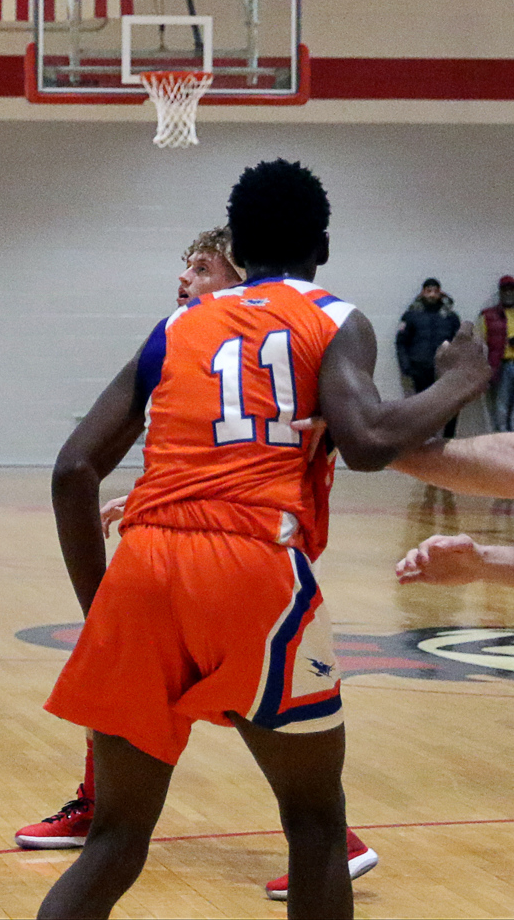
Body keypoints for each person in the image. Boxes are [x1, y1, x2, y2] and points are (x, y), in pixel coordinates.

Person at [38, 160, 489, 920]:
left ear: (238, 246)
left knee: (114, 838)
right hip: (253, 564)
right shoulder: (334, 316)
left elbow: (73, 469)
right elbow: (369, 438)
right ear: (322, 243)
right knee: (315, 823)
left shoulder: (176, 327)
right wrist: (459, 381)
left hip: (145, 566)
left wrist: (104, 613)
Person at [18, 226, 379, 902]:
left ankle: (341, 837)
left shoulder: (241, 333)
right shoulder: (208, 335)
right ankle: (327, 834)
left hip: (193, 560)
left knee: (127, 828)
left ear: (242, 270)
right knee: (307, 798)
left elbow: (75, 465)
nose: (186, 278)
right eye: (183, 266)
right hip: (234, 559)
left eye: (201, 265)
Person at [397, 278, 461, 438]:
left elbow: (460, 343)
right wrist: (406, 367)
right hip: (420, 370)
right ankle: (426, 443)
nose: (432, 294)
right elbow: (401, 343)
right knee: (424, 409)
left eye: (435, 291)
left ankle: (448, 441)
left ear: (440, 293)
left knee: (451, 406)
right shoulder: (411, 315)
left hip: (445, 371)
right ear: (422, 292)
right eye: (428, 290)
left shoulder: (451, 317)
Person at [478, 275, 514, 432]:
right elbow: (480, 345)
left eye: (511, 290)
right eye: (505, 290)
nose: (508, 293)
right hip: (500, 365)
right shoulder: (487, 315)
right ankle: (502, 446)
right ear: (500, 292)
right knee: (501, 406)